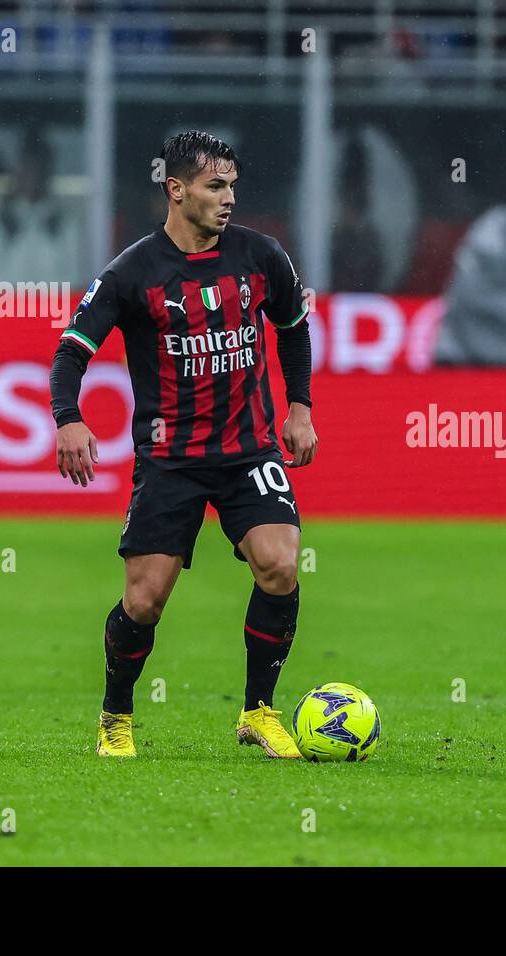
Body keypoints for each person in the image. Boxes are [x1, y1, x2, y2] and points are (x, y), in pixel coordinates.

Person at [49, 130, 317, 759]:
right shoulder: (132, 272)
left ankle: (258, 711)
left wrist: (300, 407)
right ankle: (116, 714)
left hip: (249, 450)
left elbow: (293, 330)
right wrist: (69, 419)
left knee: (280, 565)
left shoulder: (261, 256)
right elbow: (70, 353)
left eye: (233, 187)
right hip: (170, 459)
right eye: (214, 186)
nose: (229, 199)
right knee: (144, 601)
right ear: (176, 190)